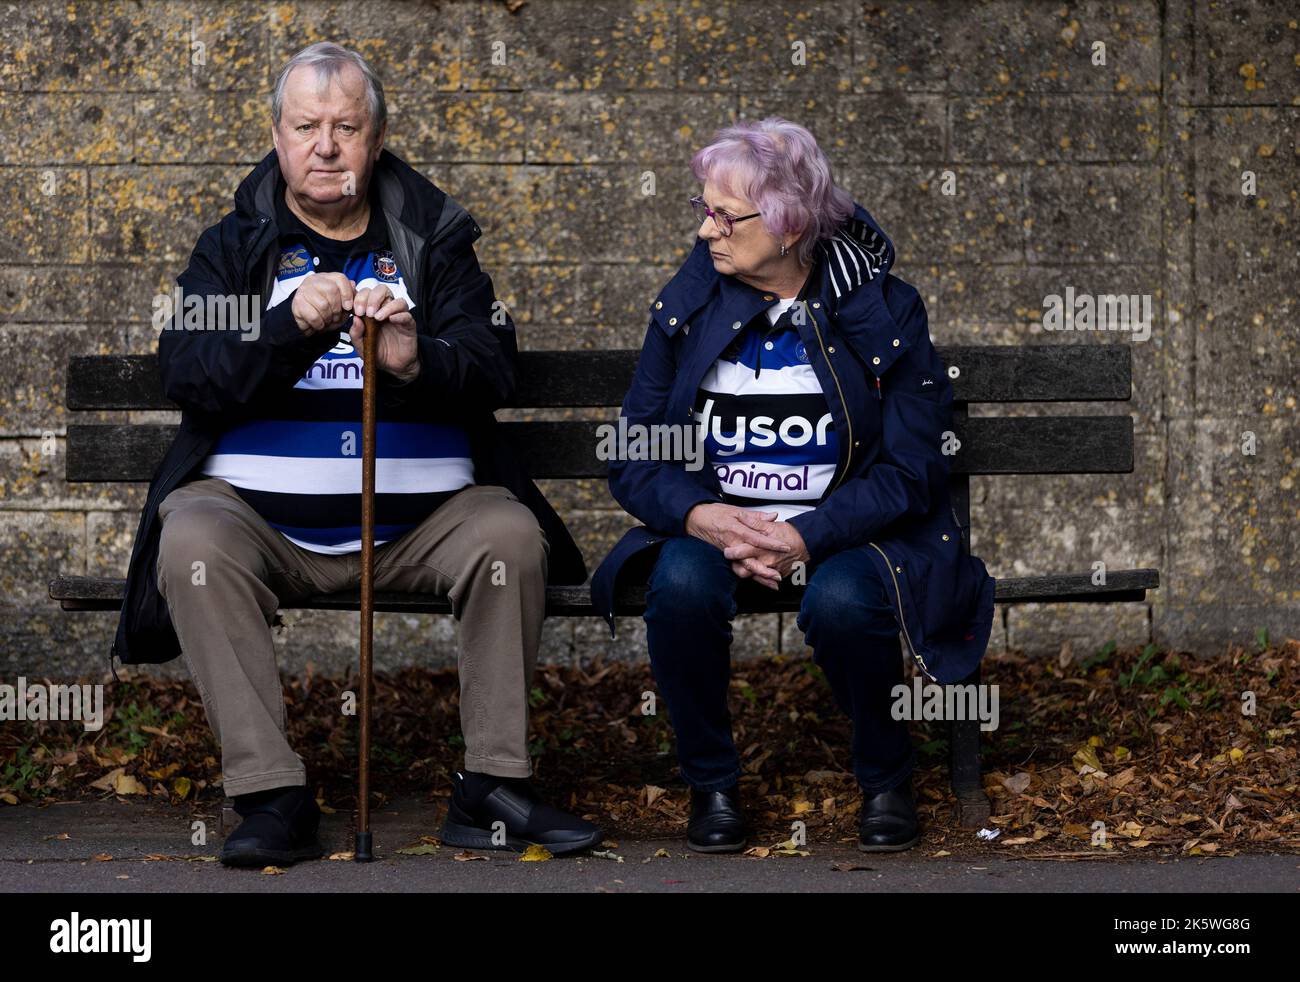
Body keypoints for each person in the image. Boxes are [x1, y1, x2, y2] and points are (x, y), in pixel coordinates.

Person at [113, 42, 601, 866]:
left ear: (377, 138)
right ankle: (271, 797)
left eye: (346, 126)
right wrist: (285, 327)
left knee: (511, 538)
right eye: (307, 126)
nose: (326, 146)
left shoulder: (434, 238)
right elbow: (187, 370)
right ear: (277, 135)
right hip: (260, 522)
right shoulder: (235, 247)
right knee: (190, 537)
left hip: (424, 521)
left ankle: (492, 785)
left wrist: (414, 359)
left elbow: (493, 365)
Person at [592, 118, 996, 853]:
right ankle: (710, 784)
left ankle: (885, 777)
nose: (708, 231)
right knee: (679, 584)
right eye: (702, 210)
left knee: (842, 598)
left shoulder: (882, 311)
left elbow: (914, 466)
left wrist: (805, 533)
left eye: (726, 215)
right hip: (716, 532)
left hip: (847, 535)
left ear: (787, 224)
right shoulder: (690, 304)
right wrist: (703, 516)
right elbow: (634, 450)